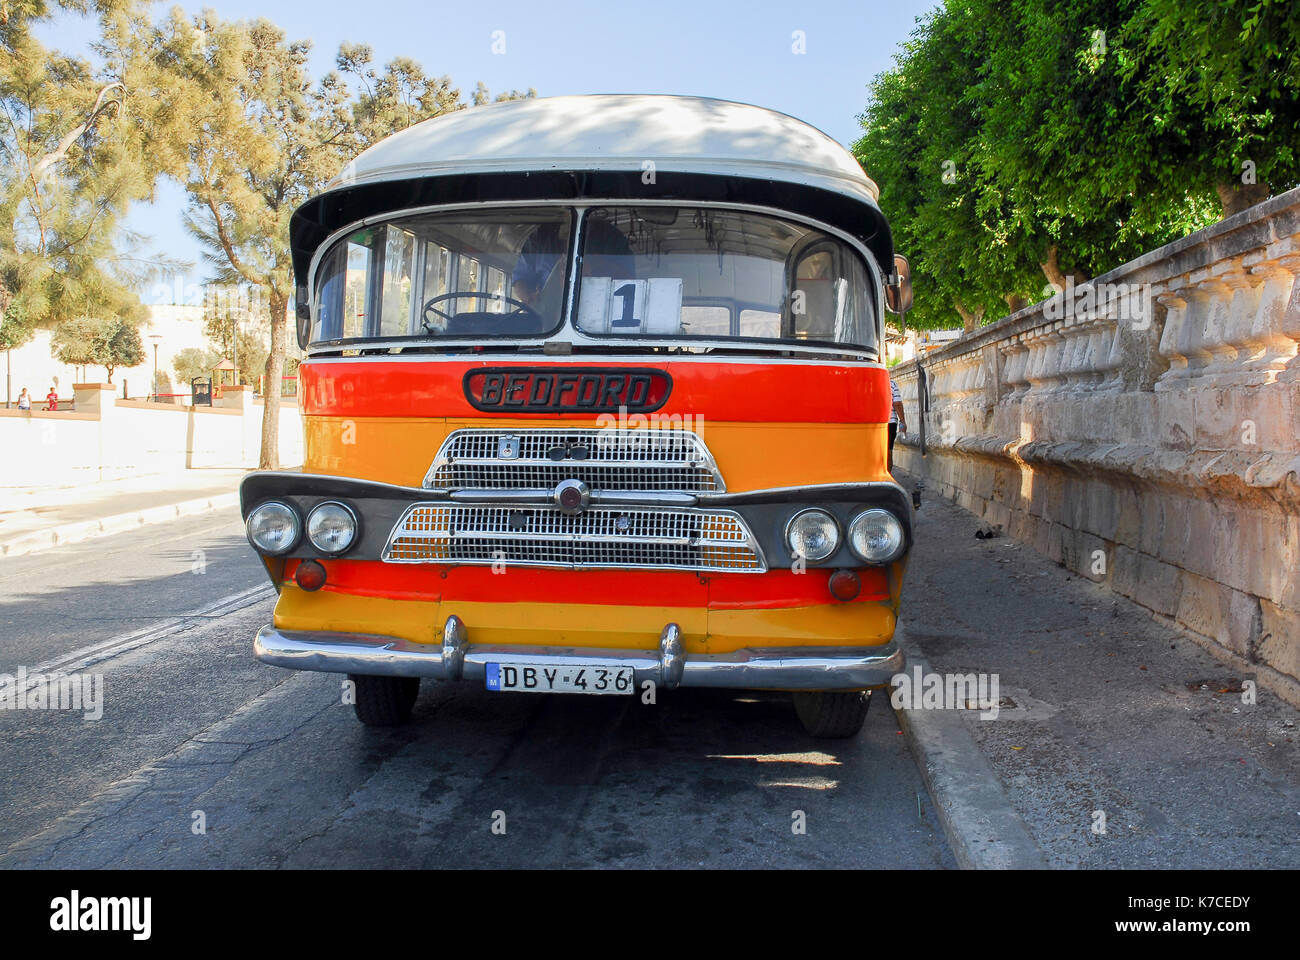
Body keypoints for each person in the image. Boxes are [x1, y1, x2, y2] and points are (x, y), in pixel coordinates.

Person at [888, 374, 907, 474]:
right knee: (888, 450)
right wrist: (903, 422)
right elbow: (897, 404)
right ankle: (887, 476)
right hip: (890, 422)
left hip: (875, 422)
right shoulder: (892, 384)